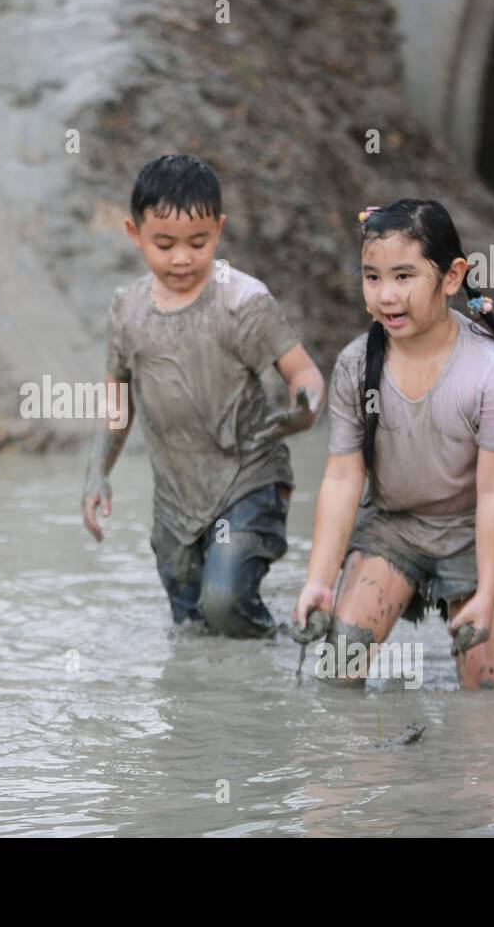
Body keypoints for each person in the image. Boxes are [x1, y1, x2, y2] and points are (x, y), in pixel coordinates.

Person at [293, 199, 494, 689]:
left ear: (451, 277)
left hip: (472, 528)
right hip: (394, 525)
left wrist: (487, 594)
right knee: (338, 673)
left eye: (404, 276)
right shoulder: (356, 366)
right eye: (373, 277)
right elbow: (342, 479)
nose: (386, 296)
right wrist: (318, 581)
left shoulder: (493, 372)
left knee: (487, 692)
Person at [82, 154, 325, 637]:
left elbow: (306, 375)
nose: (181, 258)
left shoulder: (242, 301)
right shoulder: (126, 310)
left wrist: (304, 410)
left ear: (218, 229)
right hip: (175, 493)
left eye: (198, 242)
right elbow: (117, 402)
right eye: (164, 244)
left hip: (247, 479)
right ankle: (208, 703)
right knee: (190, 622)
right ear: (134, 233)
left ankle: (269, 646)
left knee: (224, 601)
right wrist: (97, 472)